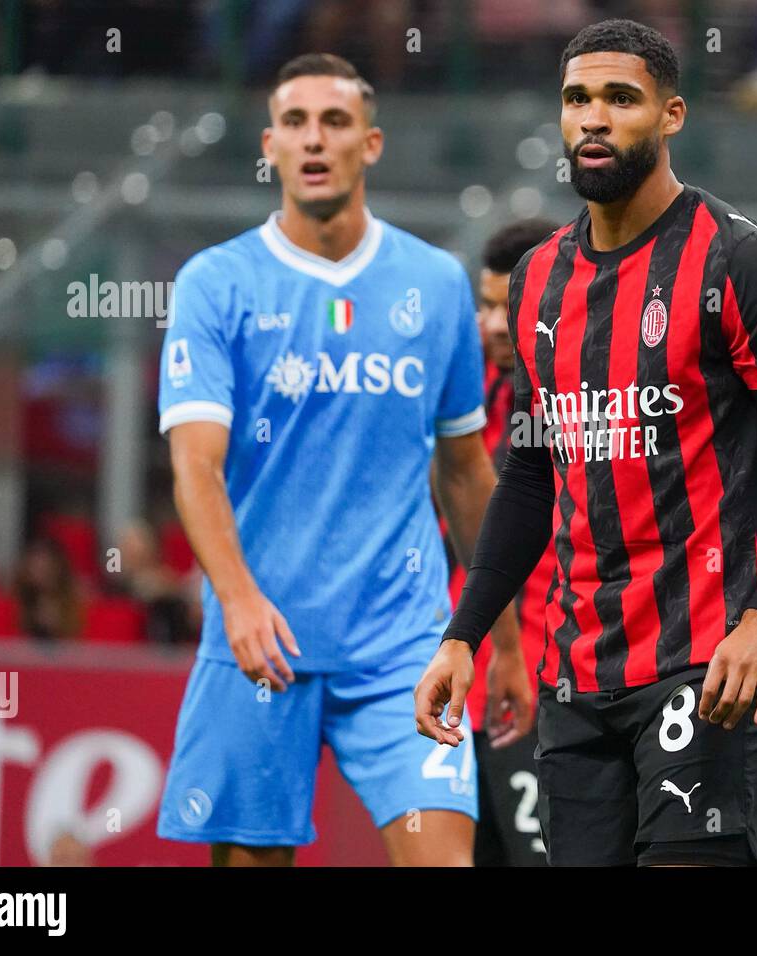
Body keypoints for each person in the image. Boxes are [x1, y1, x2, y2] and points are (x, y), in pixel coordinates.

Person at [415, 19, 757, 867]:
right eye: (577, 99)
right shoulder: (539, 279)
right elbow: (530, 477)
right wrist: (464, 636)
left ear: (671, 115)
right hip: (577, 679)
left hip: (711, 664)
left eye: (621, 99)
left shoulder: (741, 264)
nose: (593, 118)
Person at [154, 53, 532, 867]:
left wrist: (501, 639)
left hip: (404, 647)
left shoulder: (433, 286)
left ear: (371, 144)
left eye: (334, 122)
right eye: (294, 123)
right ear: (270, 146)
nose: (314, 139)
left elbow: (465, 473)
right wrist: (239, 598)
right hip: (262, 641)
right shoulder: (214, 285)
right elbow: (196, 469)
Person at [456, 218, 558, 866]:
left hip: (552, 689)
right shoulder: (476, 398)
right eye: (484, 303)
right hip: (474, 692)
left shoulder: (583, 401)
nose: (492, 323)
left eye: (509, 305)